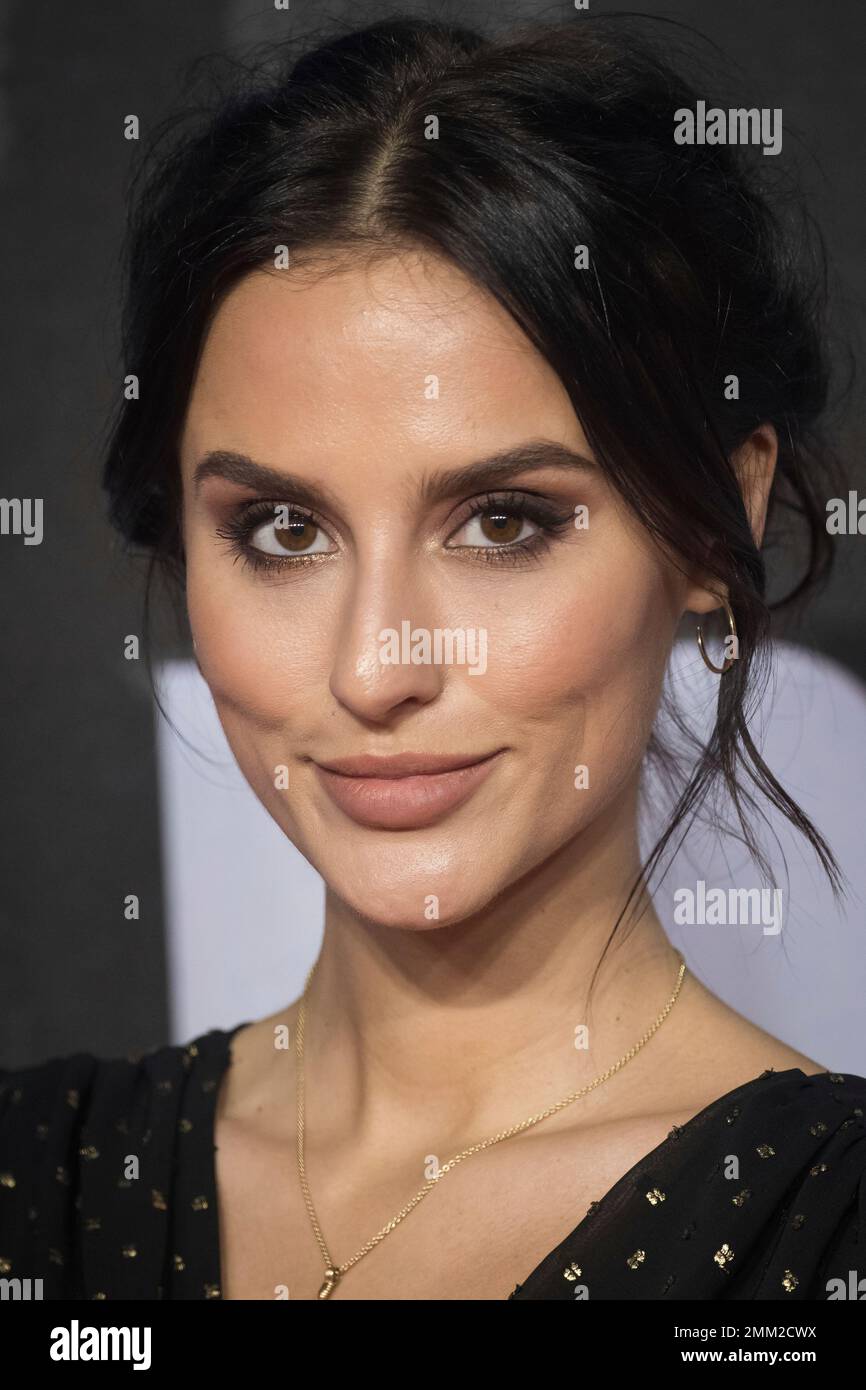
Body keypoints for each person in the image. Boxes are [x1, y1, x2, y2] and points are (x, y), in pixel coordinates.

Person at [2, 14, 864, 1301]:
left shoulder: (824, 1235)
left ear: (710, 523)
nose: (374, 666)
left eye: (504, 522)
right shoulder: (41, 1179)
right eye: (282, 530)